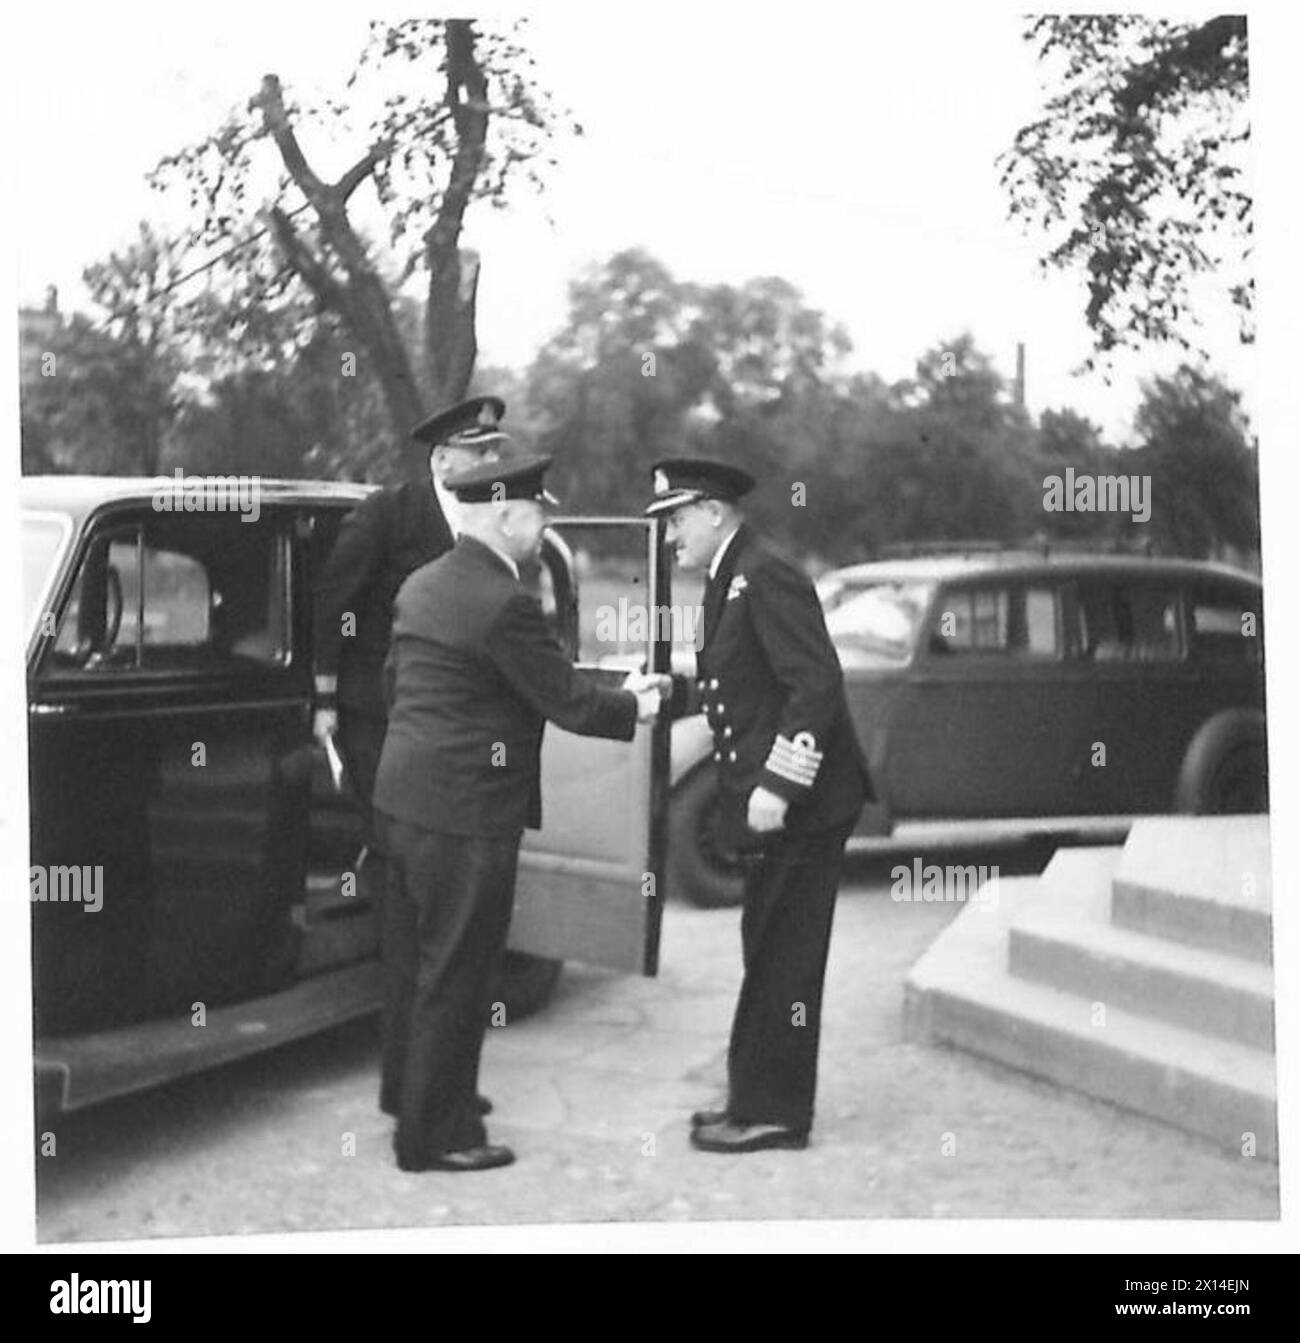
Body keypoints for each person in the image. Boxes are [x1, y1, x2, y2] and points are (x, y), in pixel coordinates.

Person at [372, 454, 667, 1172]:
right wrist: (641, 702)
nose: (545, 526)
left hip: (401, 801)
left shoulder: (423, 585)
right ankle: (435, 1137)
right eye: (539, 513)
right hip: (467, 814)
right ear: (506, 516)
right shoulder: (504, 601)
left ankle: (423, 1099)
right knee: (462, 971)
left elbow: (394, 683)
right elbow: (564, 697)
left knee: (417, 966)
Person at [645, 457, 874, 1153]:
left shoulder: (764, 573)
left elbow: (815, 686)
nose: (669, 537)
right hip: (776, 803)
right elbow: (737, 687)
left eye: (677, 520)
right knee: (767, 949)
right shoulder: (730, 576)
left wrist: (779, 785)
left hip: (802, 805)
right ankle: (752, 1097)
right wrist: (668, 693)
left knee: (786, 958)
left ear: (714, 512)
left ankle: (775, 1112)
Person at [312, 396, 508, 822]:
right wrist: (325, 698)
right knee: (392, 833)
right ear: (441, 460)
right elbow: (335, 605)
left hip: (457, 714)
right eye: (480, 452)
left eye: (495, 451)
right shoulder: (388, 513)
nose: (493, 461)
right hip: (382, 710)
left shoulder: (497, 521)